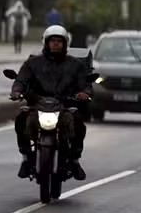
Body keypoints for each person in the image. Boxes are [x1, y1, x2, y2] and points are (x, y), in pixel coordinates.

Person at [11, 25, 92, 181]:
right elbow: (21, 80)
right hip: (38, 105)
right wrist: (16, 91)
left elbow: (85, 85)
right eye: (52, 41)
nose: (55, 44)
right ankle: (26, 157)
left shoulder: (76, 65)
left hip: (64, 106)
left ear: (65, 43)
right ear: (46, 43)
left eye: (59, 41)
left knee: (78, 123)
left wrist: (84, 93)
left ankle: (74, 159)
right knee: (21, 119)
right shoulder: (32, 63)